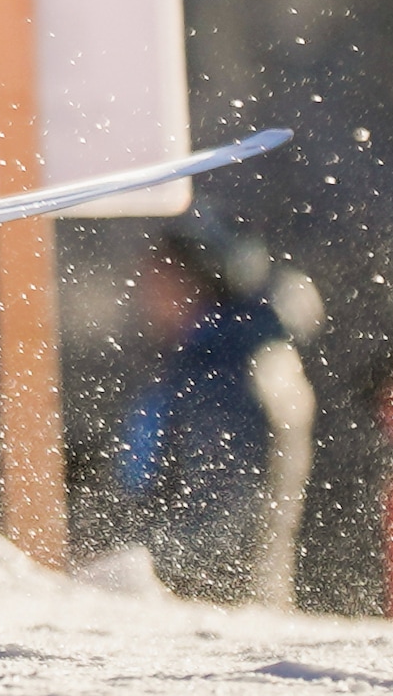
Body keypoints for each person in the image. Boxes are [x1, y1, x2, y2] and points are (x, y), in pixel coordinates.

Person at [116, 217, 317, 605]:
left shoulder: (224, 374)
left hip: (211, 617)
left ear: (200, 280)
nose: (146, 291)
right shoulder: (226, 358)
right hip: (230, 607)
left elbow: (225, 518)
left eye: (162, 275)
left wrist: (129, 564)